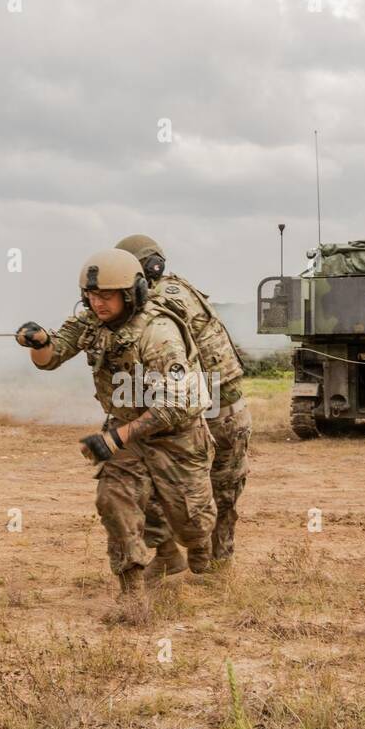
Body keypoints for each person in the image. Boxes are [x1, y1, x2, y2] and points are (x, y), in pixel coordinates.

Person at [16, 249, 216, 623]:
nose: (97, 302)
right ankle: (132, 595)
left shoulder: (158, 333)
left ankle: (196, 548)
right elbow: (53, 356)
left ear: (132, 293)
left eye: (106, 296)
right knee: (113, 500)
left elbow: (176, 406)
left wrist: (113, 439)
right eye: (91, 295)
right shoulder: (91, 322)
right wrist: (40, 342)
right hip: (127, 434)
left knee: (192, 523)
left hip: (178, 435)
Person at [114, 234, 250, 574]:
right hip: (230, 408)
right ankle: (215, 564)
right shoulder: (179, 288)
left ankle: (174, 556)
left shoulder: (156, 304)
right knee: (223, 491)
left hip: (200, 413)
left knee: (157, 483)